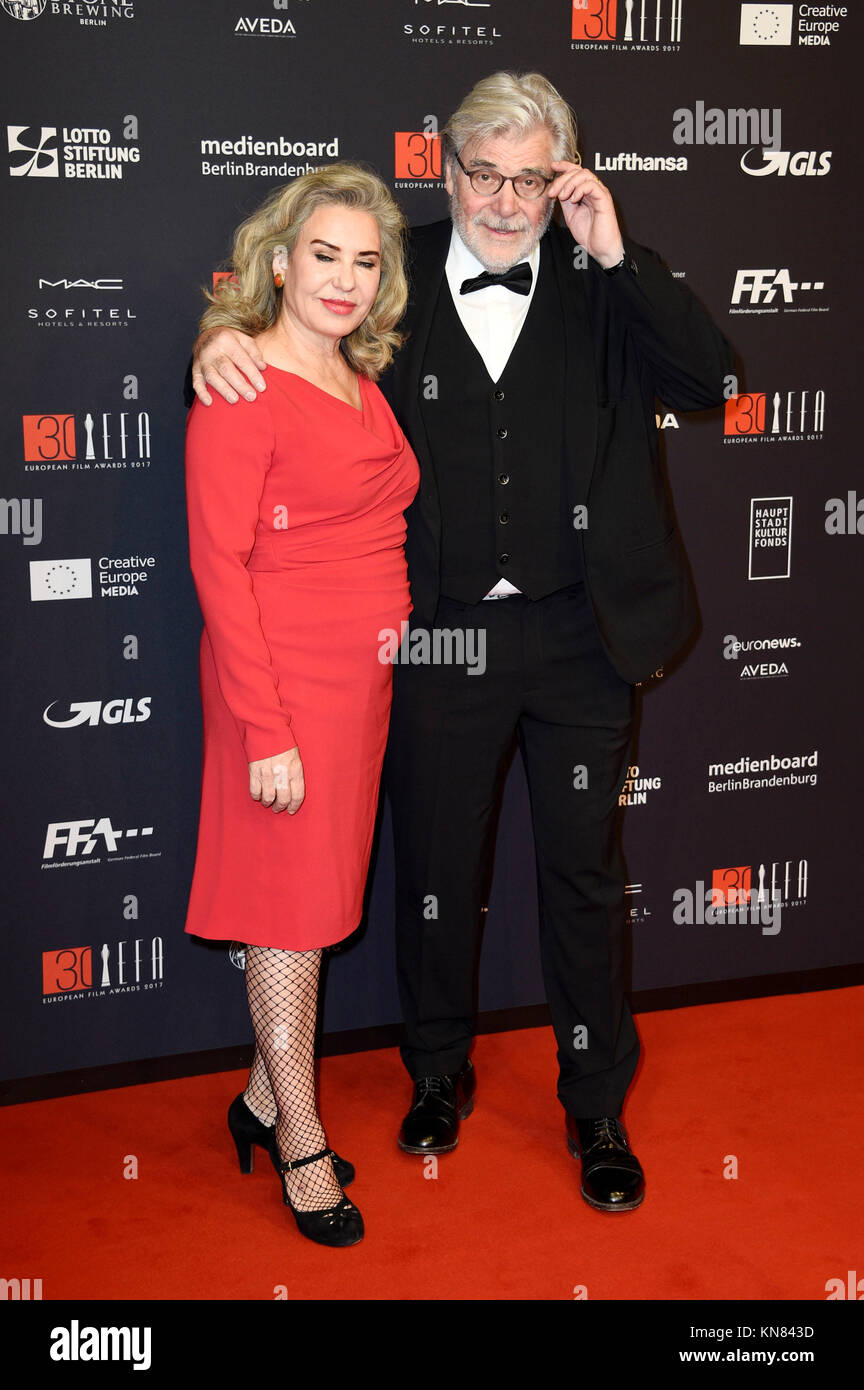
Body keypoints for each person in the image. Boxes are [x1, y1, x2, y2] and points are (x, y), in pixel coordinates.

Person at [191, 72, 734, 1214]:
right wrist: (214, 347)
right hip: (436, 642)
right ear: (448, 170)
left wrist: (616, 247)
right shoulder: (382, 280)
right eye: (482, 173)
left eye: (529, 177)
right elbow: (281, 356)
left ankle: (595, 1105)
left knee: (583, 875)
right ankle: (435, 1073)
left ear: (562, 178)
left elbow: (714, 377)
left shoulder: (600, 276)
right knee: (438, 867)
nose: (502, 200)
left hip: (584, 636)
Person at [184, 163, 419, 1246]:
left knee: (316, 903)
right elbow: (220, 569)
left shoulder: (355, 379)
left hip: (355, 690)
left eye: (365, 261)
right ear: (278, 262)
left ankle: (260, 1097)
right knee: (289, 918)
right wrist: (266, 728)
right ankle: (301, 1141)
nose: (344, 278)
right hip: (277, 685)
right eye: (323, 254)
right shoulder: (241, 385)